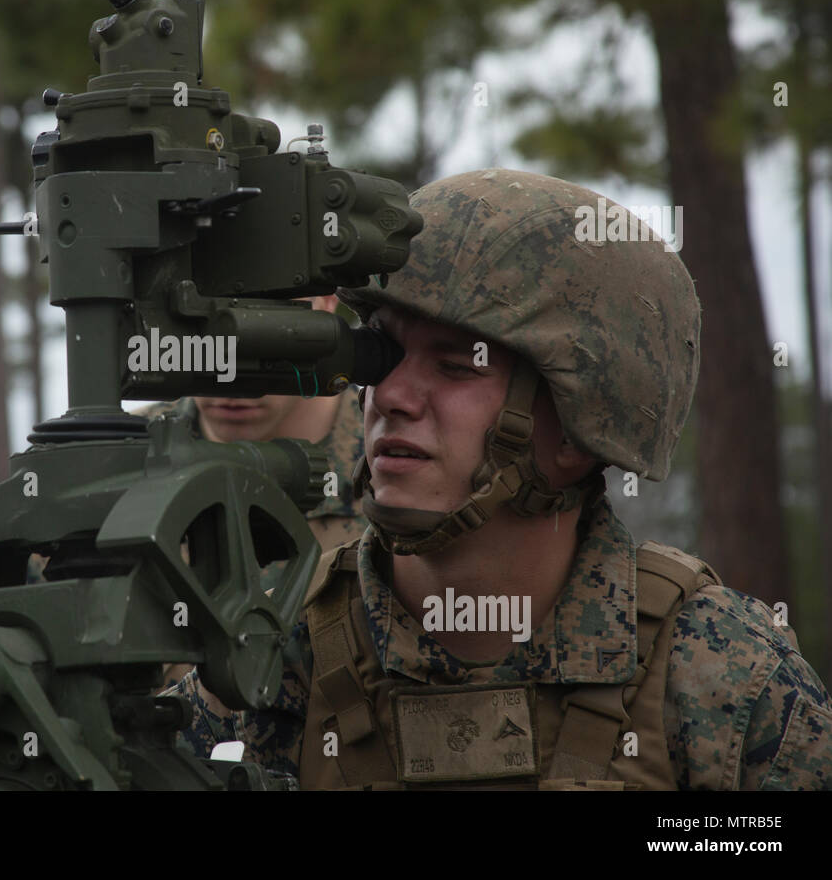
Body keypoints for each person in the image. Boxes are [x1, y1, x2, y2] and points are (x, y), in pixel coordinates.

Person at [168, 168, 832, 789]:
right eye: (383, 352)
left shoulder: (720, 674)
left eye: (456, 367)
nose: (390, 395)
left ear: (578, 430)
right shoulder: (269, 659)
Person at [133, 295, 368, 558]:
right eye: (200, 313)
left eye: (264, 309)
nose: (230, 366)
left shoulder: (391, 472)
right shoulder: (127, 455)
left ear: (326, 300)